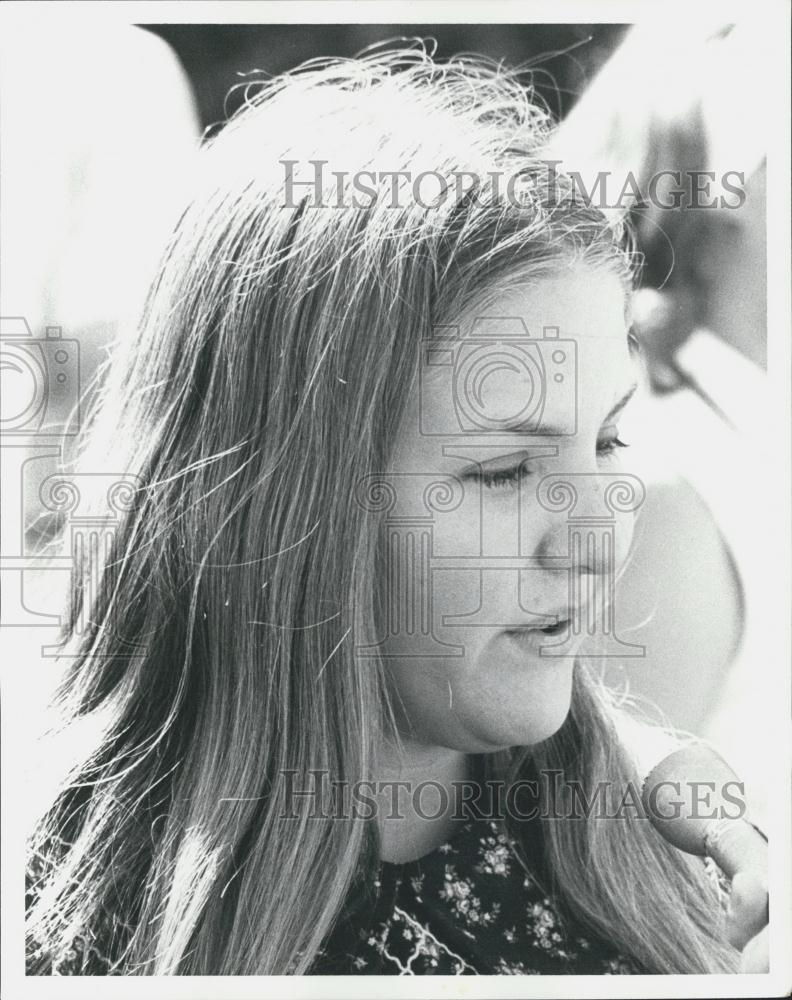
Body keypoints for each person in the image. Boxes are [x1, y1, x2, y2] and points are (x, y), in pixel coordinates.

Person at [25, 46, 766, 977]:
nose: (597, 538)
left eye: (608, 442)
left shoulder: (662, 853)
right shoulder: (83, 927)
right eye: (502, 470)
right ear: (282, 501)